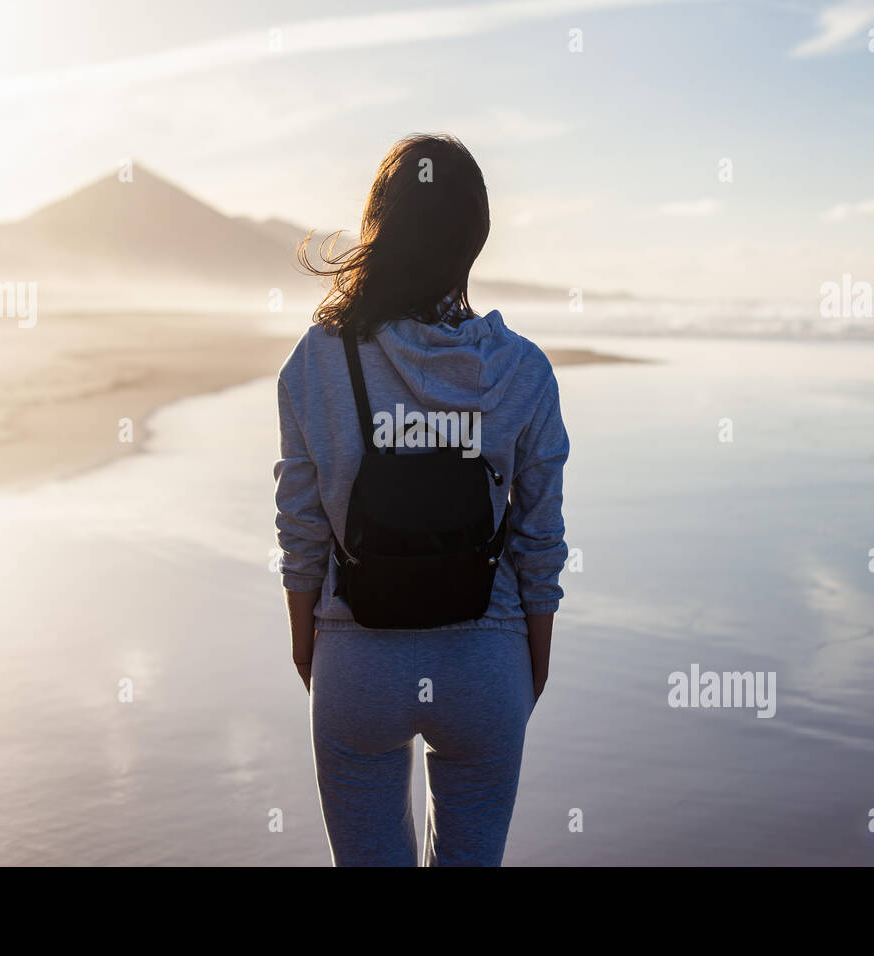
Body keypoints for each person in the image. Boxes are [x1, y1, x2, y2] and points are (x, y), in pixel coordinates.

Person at [273, 134, 569, 866]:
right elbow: (540, 539)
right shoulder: (523, 370)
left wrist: (312, 653)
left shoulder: (318, 359)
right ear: (475, 237)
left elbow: (300, 528)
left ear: (379, 225)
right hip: (487, 661)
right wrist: (529, 669)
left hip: (356, 661)